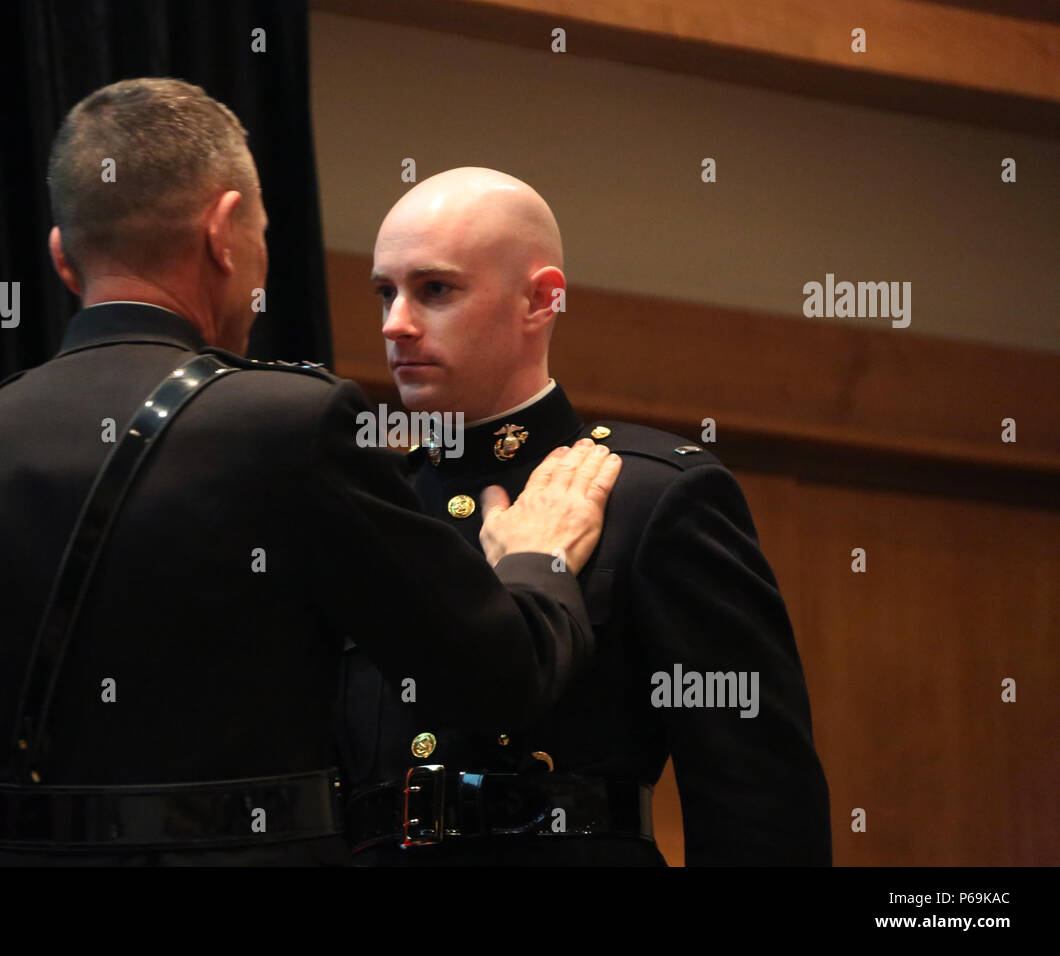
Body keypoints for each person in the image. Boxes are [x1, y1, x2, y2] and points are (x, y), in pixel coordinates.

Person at [0, 83, 623, 866]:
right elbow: (497, 685)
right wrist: (536, 562)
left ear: (64, 258)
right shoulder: (288, 425)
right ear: (224, 232)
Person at [340, 167, 832, 865]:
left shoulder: (651, 495)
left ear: (540, 300)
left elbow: (757, 799)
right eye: (385, 292)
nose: (396, 323)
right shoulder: (372, 502)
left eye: (435, 289)